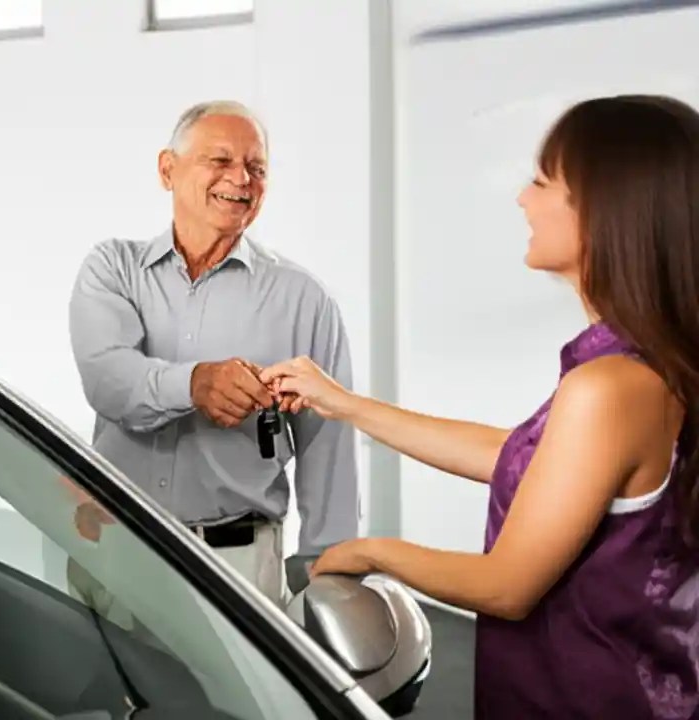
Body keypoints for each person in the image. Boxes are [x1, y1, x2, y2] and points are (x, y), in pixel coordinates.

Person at [259, 94, 699, 719]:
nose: (523, 198)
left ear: (606, 210)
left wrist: (372, 552)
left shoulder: (610, 387)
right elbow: (524, 460)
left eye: (542, 182)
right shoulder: (642, 368)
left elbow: (507, 586)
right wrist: (346, 405)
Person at [66, 100, 360, 613]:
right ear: (168, 170)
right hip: (115, 553)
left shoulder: (304, 301)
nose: (241, 179)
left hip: (239, 569)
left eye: (257, 167)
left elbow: (328, 453)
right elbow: (108, 380)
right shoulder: (113, 269)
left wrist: (328, 593)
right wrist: (196, 385)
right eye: (220, 160)